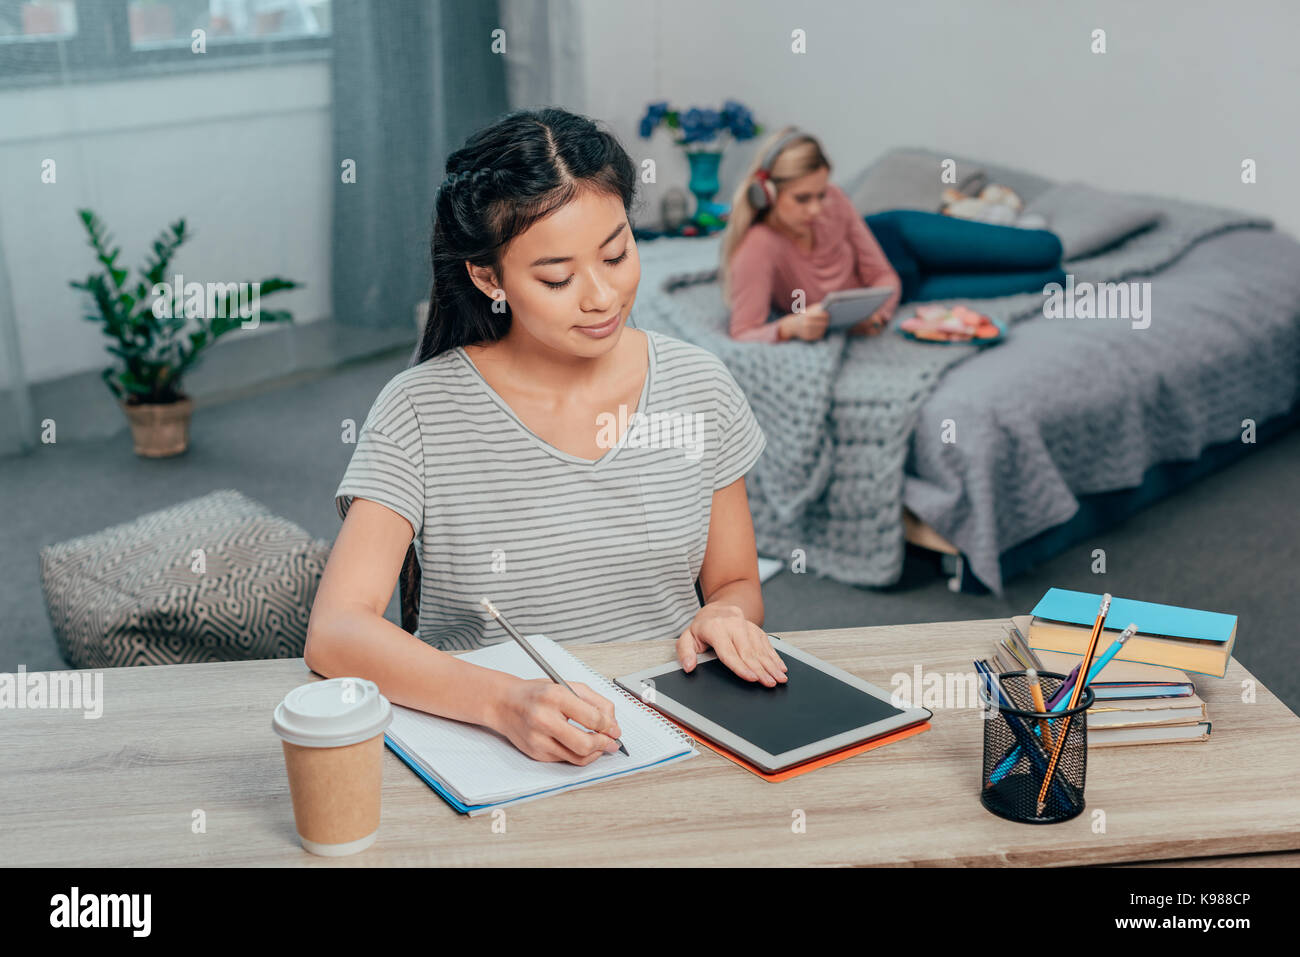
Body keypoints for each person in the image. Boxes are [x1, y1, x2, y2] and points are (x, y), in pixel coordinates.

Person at [307, 107, 786, 768]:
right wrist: (503, 702)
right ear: (489, 277)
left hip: (666, 736)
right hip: (491, 749)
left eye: (617, 252)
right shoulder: (419, 409)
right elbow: (336, 630)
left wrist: (728, 616)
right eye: (557, 278)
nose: (602, 296)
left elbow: (734, 580)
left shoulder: (697, 385)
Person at [719, 127, 902, 343]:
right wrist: (789, 327)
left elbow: (883, 275)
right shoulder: (758, 247)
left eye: (821, 195)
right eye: (802, 198)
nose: (816, 210)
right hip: (911, 284)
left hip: (896, 235)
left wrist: (877, 317)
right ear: (767, 195)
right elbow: (743, 332)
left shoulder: (835, 200)